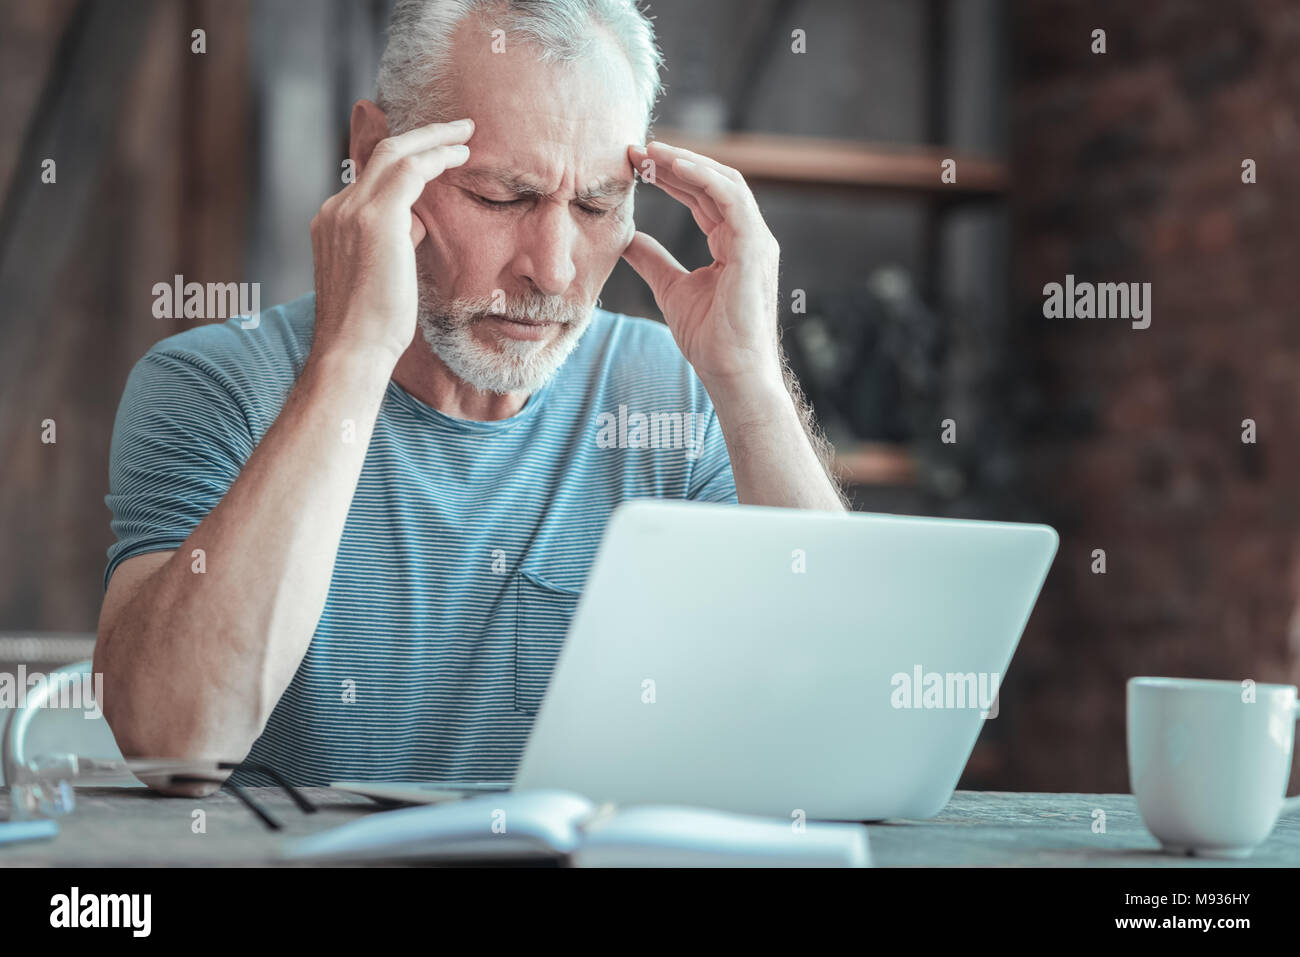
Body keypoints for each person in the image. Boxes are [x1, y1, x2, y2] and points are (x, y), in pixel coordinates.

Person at [95, 0, 846, 792]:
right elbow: (175, 742)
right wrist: (352, 356)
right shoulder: (213, 385)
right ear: (373, 156)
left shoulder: (671, 397)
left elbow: (842, 715)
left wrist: (751, 383)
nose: (552, 270)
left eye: (596, 206)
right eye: (501, 197)